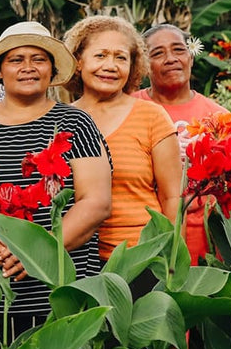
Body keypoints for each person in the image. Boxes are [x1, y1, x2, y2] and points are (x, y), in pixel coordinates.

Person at [0, 21, 111, 336]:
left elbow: (96, 202)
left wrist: (35, 253)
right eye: (16, 59)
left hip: (60, 291)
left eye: (39, 59)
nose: (28, 68)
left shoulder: (74, 121)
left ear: (51, 69)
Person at [63, 16, 181, 273]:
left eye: (120, 58)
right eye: (101, 55)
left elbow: (172, 196)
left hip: (142, 259)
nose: (110, 66)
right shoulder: (60, 120)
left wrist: (169, 257)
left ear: (133, 65)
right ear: (78, 61)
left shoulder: (151, 116)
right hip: (75, 260)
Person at [133, 24, 228, 264]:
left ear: (191, 57)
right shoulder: (129, 109)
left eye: (178, 50)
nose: (171, 59)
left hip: (209, 242)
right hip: (146, 241)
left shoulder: (219, 116)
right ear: (144, 66)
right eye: (157, 53)